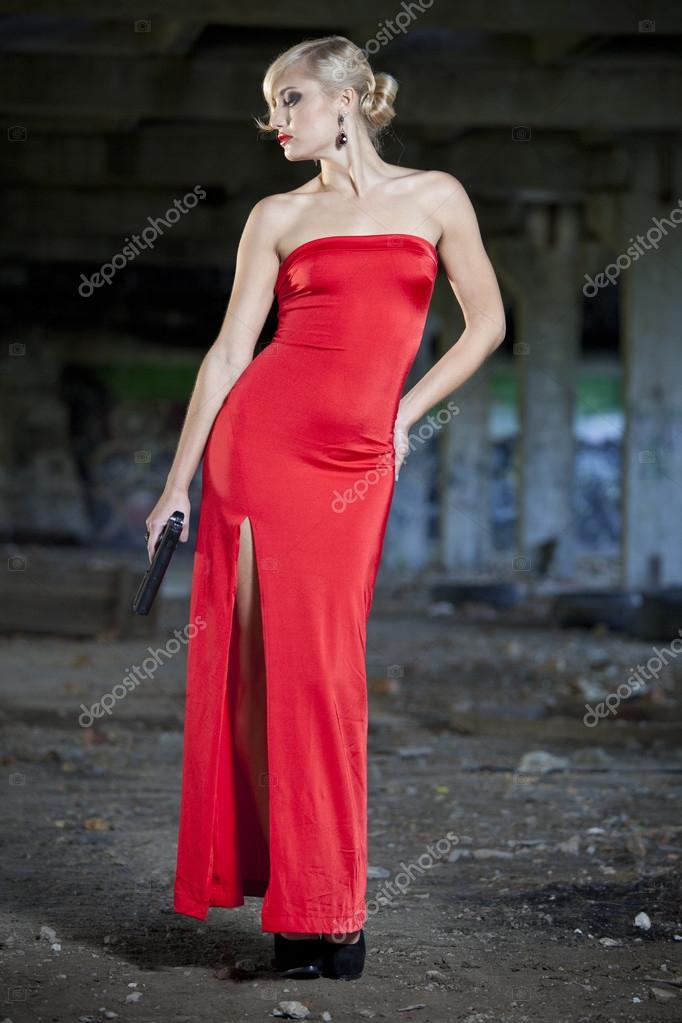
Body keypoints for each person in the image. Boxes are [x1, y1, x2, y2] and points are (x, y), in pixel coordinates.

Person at [145, 35, 505, 981]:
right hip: (258, 451)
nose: (278, 120)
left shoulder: (436, 197)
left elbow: (488, 323)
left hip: (354, 461)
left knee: (326, 677)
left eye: (292, 98)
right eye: (271, 105)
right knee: (261, 682)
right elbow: (228, 356)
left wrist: (401, 417)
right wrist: (176, 484)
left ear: (347, 98)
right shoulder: (273, 215)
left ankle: (333, 916)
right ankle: (305, 924)